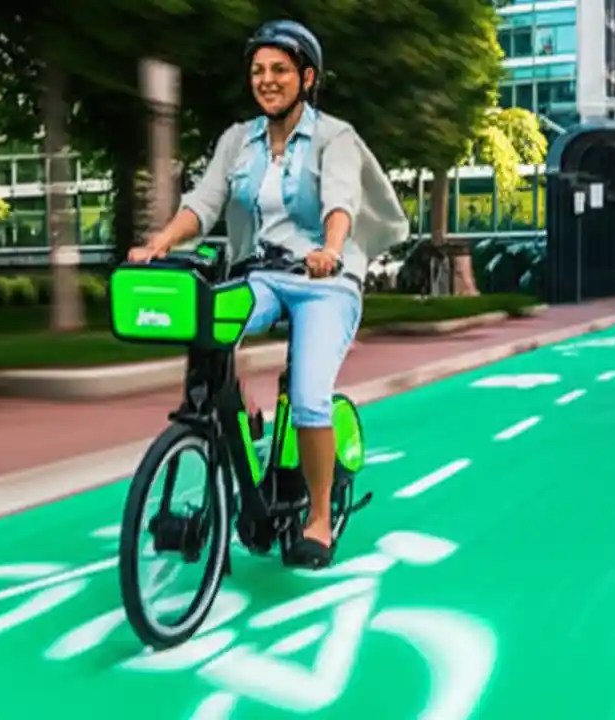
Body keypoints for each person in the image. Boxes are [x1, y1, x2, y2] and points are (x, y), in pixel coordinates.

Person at [127, 19, 408, 568]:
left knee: (307, 398)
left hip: (325, 283)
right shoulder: (238, 139)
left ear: (307, 77)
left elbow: (341, 199)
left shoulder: (336, 138)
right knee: (208, 323)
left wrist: (330, 248)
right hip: (264, 275)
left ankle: (319, 519)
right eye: (258, 70)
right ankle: (237, 420)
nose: (267, 80)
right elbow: (203, 202)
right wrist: (157, 243)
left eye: (280, 69)